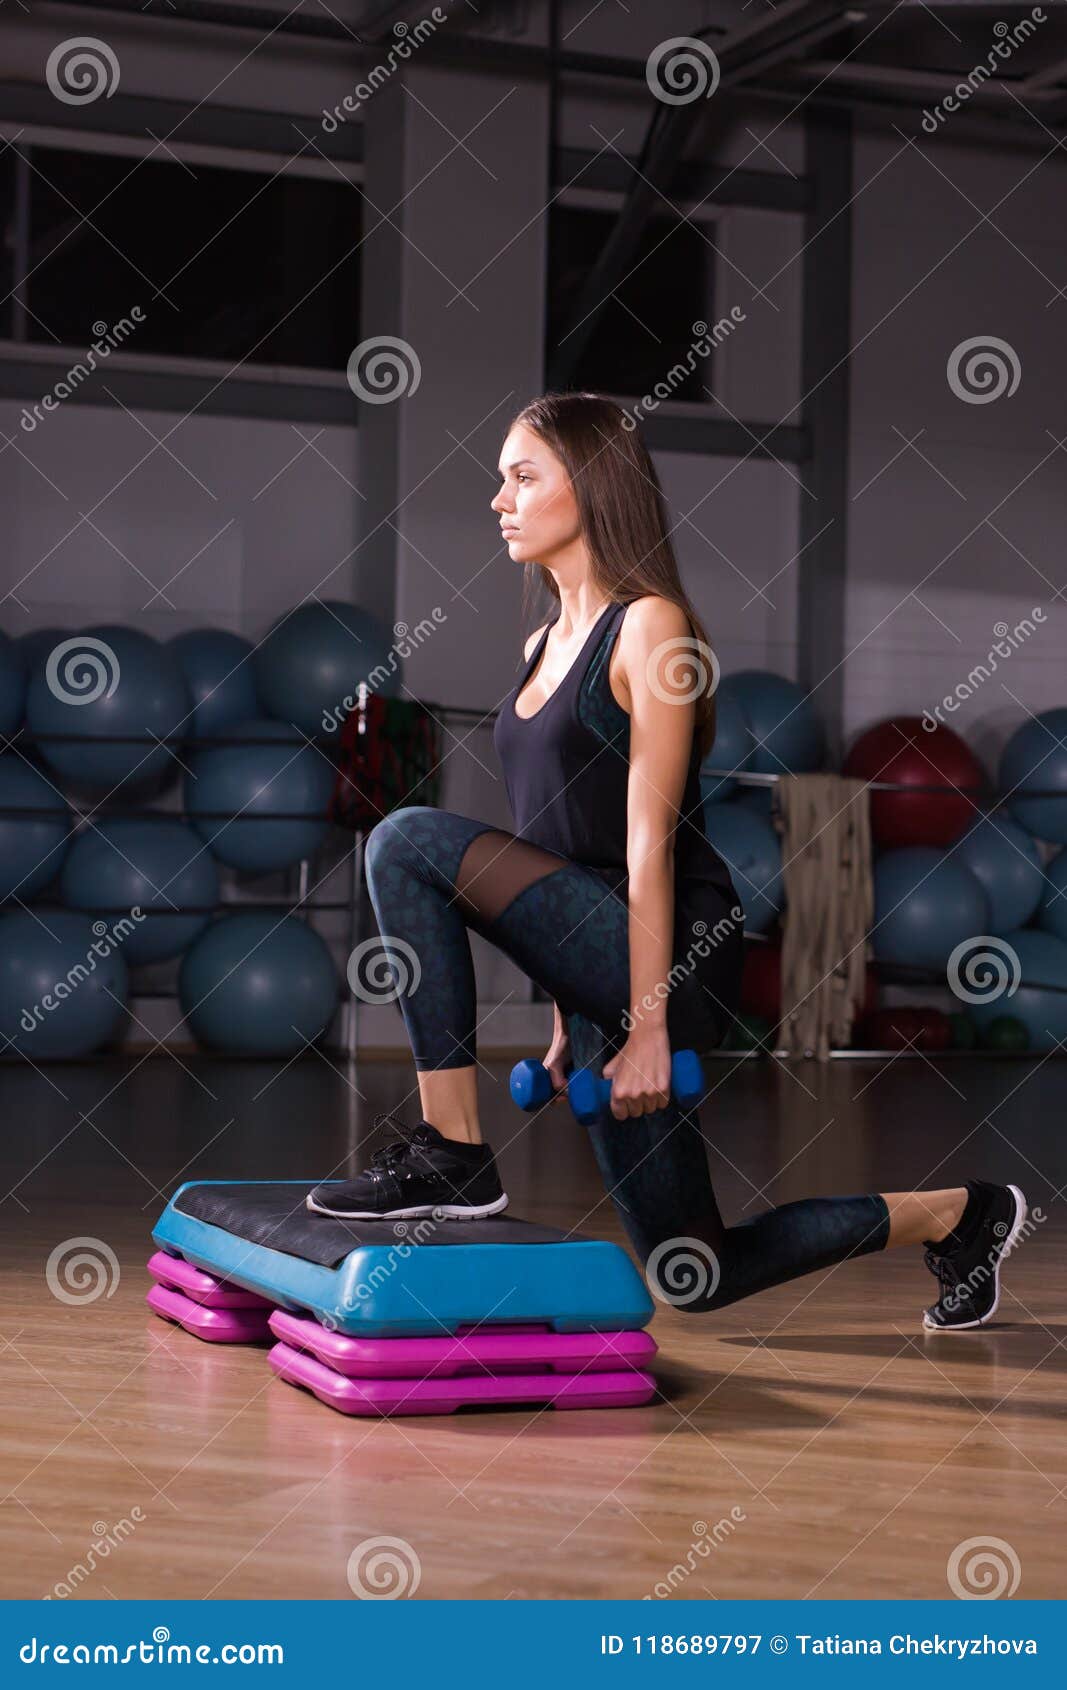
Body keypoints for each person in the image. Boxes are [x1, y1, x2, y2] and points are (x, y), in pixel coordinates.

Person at [308, 393, 1028, 1333]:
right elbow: (554, 851)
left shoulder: (651, 627)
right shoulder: (537, 646)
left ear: (591, 487)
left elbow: (646, 843)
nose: (499, 500)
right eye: (500, 480)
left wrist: (646, 1023)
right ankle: (964, 1217)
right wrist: (570, 1008)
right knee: (695, 1270)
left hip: (674, 953)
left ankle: (451, 1153)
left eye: (522, 477)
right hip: (603, 954)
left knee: (403, 839)